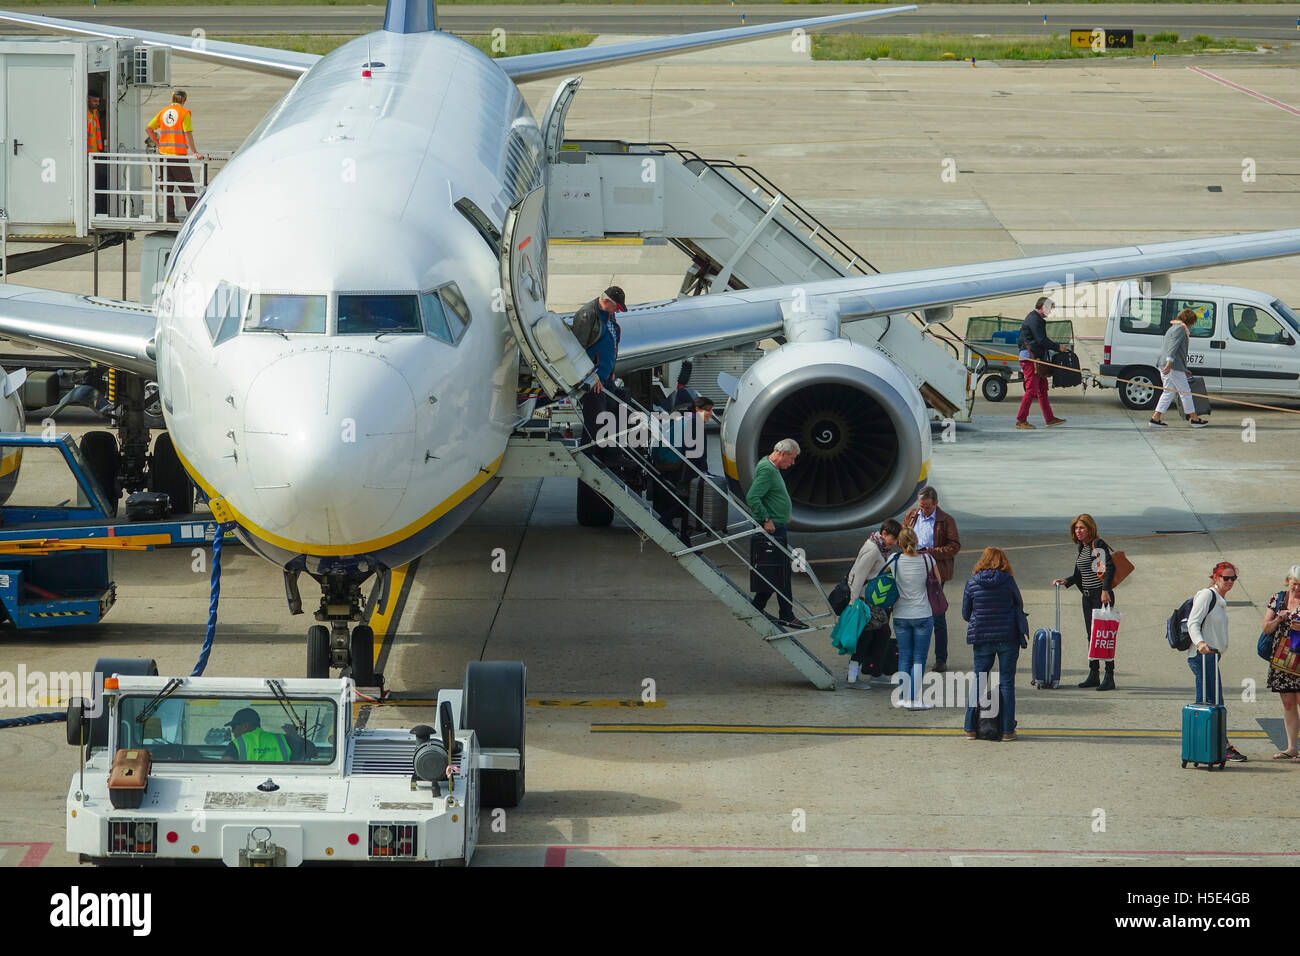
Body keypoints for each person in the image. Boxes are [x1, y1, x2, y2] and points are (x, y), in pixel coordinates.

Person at [961, 547, 1027, 741]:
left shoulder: (972, 582)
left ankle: (970, 728)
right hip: (1007, 636)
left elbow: (966, 613)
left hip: (982, 636)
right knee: (1006, 683)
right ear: (1003, 561)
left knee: (979, 680)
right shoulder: (1008, 581)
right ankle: (1007, 731)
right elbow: (1019, 604)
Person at [1186, 561, 1247, 762]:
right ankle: (1221, 746)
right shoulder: (1207, 595)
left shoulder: (1220, 599)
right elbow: (1193, 622)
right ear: (1215, 577)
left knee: (1210, 702)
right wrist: (1200, 643)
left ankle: (1206, 745)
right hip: (1203, 656)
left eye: (1233, 578)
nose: (1229, 581)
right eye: (1225, 577)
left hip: (1212, 656)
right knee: (1213, 703)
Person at [1053, 513, 1118, 690]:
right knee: (1091, 636)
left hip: (1100, 595)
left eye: (1081, 528)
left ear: (1090, 529)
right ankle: (1094, 673)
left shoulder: (1097, 544)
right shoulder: (1082, 548)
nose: (1078, 531)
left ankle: (1109, 676)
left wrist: (1105, 590)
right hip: (1087, 597)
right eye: (1076, 528)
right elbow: (1078, 574)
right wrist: (1066, 581)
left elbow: (1108, 567)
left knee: (1104, 636)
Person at [903, 487, 960, 673]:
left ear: (936, 504)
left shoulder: (946, 520)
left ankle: (940, 659)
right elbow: (902, 537)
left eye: (927, 507)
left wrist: (932, 552)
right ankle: (912, 656)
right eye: (921, 506)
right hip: (913, 568)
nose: (924, 510)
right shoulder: (912, 515)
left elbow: (954, 546)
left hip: (934, 572)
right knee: (912, 613)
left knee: (937, 614)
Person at [747, 438, 803, 629]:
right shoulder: (767, 470)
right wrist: (766, 519)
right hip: (772, 529)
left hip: (776, 528)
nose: (792, 463)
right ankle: (787, 614)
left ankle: (757, 607)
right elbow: (753, 497)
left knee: (774, 572)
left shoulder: (770, 467)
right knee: (781, 573)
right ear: (782, 454)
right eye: (792, 458)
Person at [845, 518, 902, 686]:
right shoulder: (873, 550)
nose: (895, 543)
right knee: (867, 636)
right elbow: (858, 576)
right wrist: (853, 602)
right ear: (884, 533)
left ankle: (874, 672)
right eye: (893, 538)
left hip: (873, 601)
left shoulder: (880, 548)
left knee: (881, 633)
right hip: (864, 601)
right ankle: (853, 676)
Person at [571, 286, 625, 461]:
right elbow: (577, 350)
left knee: (612, 413)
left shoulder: (608, 314)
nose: (617, 311)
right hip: (593, 380)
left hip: (605, 377)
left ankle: (609, 455)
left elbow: (611, 345)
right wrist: (591, 377)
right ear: (606, 301)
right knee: (595, 418)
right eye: (616, 307)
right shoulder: (587, 315)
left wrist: (611, 371)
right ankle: (588, 456)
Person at [891, 527, 942, 709]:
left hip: (900, 614)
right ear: (917, 541)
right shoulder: (928, 559)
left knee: (904, 657)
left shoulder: (893, 559)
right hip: (922, 613)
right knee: (919, 658)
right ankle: (913, 700)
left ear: (899, 543)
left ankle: (903, 696)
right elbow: (938, 582)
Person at [656, 396, 715, 544]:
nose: (711, 413)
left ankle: (680, 533)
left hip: (682, 468)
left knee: (686, 503)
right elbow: (694, 451)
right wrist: (702, 471)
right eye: (708, 410)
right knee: (687, 503)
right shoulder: (695, 424)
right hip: (688, 471)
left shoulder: (689, 421)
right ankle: (667, 523)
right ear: (697, 409)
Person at [1260, 566, 1300, 761]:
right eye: (1294, 584)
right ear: (1288, 582)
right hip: (1282, 660)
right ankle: (1291, 748)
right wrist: (1279, 619)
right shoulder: (1278, 599)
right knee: (1288, 703)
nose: (1297, 588)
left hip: (1299, 659)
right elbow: (1266, 628)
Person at [146, 90, 204, 222]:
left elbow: (149, 128)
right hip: (177, 155)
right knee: (187, 185)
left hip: (163, 155)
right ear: (184, 100)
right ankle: (194, 214)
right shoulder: (184, 113)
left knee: (167, 186)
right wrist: (194, 152)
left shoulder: (163, 112)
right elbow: (188, 133)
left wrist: (158, 144)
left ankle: (169, 216)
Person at [1149, 308, 1209, 428]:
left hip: (1168, 364)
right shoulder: (1180, 329)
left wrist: (1183, 369)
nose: (1192, 326)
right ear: (1189, 321)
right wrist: (1169, 364)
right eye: (1192, 323)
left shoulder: (1173, 327)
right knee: (1185, 392)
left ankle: (1155, 418)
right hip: (1172, 366)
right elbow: (1173, 348)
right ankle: (1194, 418)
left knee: (1168, 392)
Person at [1015, 296, 1068, 430]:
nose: (1050, 311)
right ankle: (1021, 420)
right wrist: (1057, 347)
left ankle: (1049, 419)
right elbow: (1041, 340)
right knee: (1031, 390)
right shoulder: (1034, 319)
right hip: (1030, 360)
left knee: (1042, 389)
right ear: (1042, 307)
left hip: (1036, 359)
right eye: (1049, 308)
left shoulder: (1035, 319)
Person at [222, 708, 293, 762]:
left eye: (233, 727)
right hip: (283, 777)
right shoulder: (283, 740)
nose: (232, 731)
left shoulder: (236, 744)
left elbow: (225, 768)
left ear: (245, 726)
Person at [87, 93, 107, 216]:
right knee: (87, 184)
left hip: (94, 155)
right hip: (86, 156)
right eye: (95, 101)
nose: (97, 104)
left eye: (98, 101)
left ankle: (93, 208)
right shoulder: (85, 116)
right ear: (88, 100)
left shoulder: (95, 114)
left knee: (94, 182)